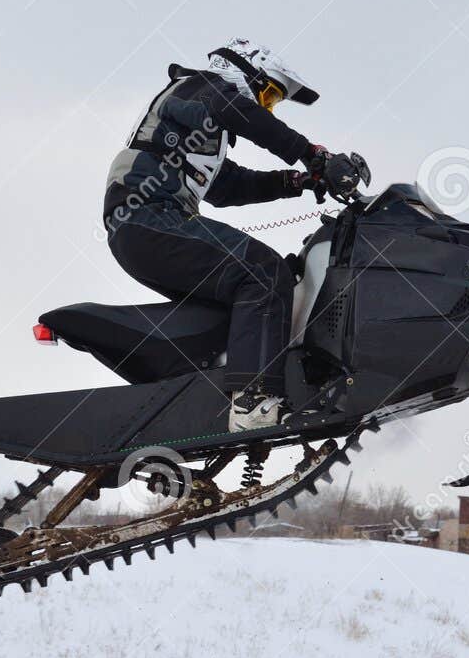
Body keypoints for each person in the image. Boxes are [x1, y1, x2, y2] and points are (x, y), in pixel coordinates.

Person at [102, 38, 367, 431]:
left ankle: (208, 389)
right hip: (149, 218)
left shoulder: (197, 129)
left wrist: (297, 181)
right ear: (243, 72)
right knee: (263, 273)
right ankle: (254, 400)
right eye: (270, 93)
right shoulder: (197, 88)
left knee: (250, 288)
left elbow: (228, 188)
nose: (267, 106)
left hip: (147, 227)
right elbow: (239, 111)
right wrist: (314, 154)